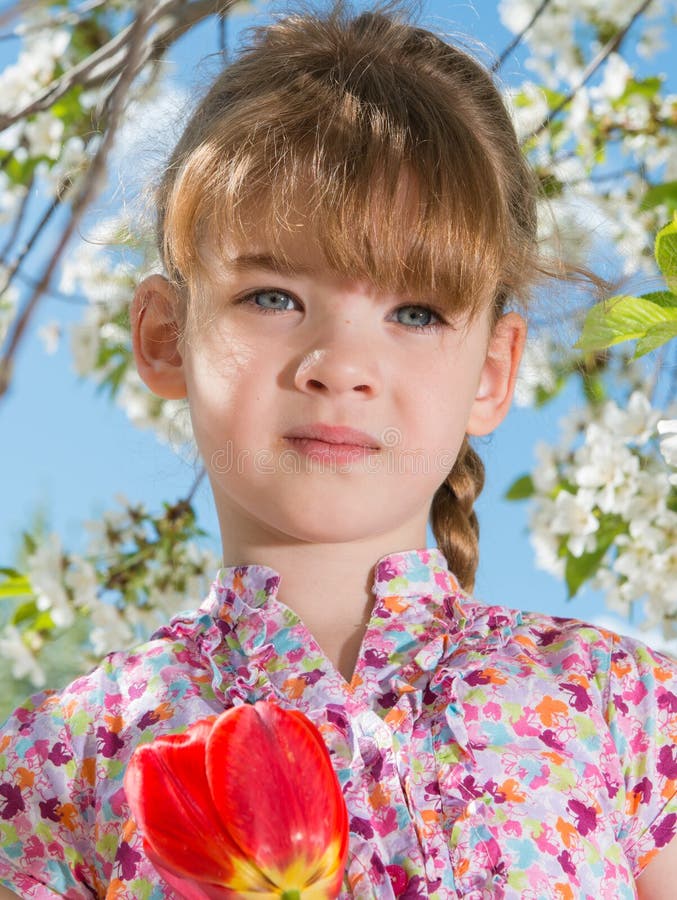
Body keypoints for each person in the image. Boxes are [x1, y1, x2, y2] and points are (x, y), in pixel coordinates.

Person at [1, 4, 675, 898]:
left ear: (493, 370)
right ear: (165, 334)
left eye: (416, 312)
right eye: (274, 296)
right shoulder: (63, 762)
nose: (341, 367)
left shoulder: (623, 703)